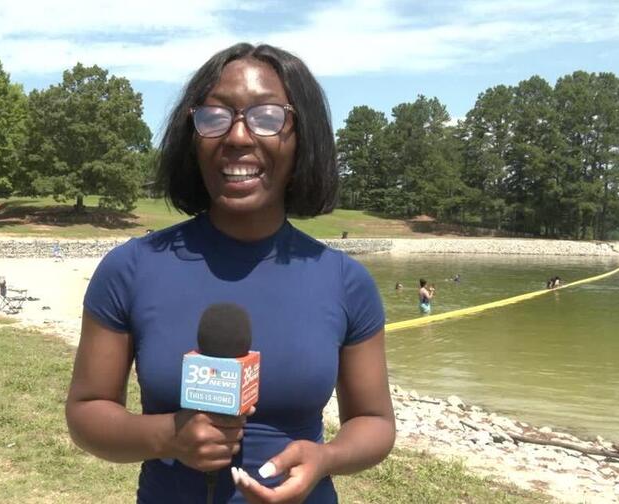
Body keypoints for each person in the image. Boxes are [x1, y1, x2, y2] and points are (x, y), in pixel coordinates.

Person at [66, 43, 395, 503]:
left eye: (266, 117)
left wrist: (327, 458)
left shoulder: (345, 281)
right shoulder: (131, 269)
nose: (238, 136)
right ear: (192, 136)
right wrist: (169, 436)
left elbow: (375, 422)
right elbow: (86, 412)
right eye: (215, 116)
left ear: (303, 136)